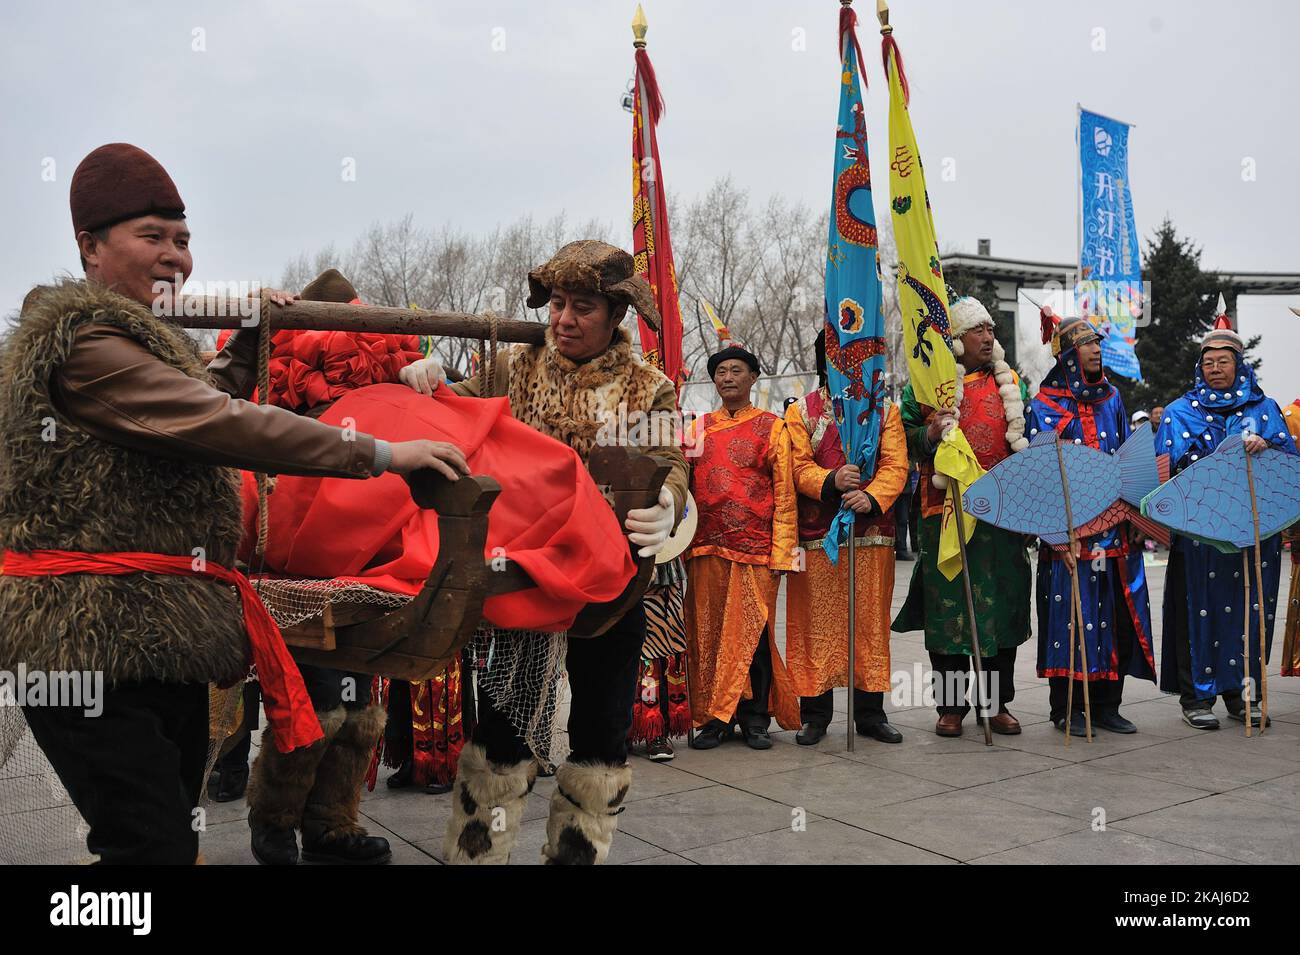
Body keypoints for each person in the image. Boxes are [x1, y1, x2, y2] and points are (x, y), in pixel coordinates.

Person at [0, 143, 467, 865]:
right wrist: (380, 453)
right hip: (84, 642)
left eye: (182, 240)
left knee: (166, 841)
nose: (174, 257)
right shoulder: (81, 346)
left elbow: (202, 403)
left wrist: (248, 343)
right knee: (145, 847)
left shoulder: (144, 350)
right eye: (150, 236)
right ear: (89, 247)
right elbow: (220, 423)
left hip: (162, 640)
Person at [420, 240, 689, 864]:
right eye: (559, 304)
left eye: (583, 307)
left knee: (600, 735)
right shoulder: (515, 370)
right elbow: (458, 408)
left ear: (615, 315)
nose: (564, 319)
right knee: (504, 732)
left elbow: (670, 461)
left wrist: (668, 503)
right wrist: (430, 379)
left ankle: (576, 854)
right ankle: (477, 854)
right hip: (526, 583)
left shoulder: (649, 388)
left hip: (613, 585)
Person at [892, 296, 1031, 737]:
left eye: (991, 329)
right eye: (978, 330)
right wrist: (929, 433)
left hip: (1000, 516)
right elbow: (901, 439)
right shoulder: (925, 388)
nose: (988, 337)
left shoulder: (1011, 384)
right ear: (955, 339)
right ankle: (951, 707)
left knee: (1002, 610)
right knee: (949, 611)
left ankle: (996, 704)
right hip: (945, 514)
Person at [1155, 315, 1298, 729]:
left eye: (1223, 361)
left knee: (1250, 615)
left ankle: (1245, 696)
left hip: (1254, 538)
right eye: (1208, 362)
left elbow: (1291, 473)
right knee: (1196, 613)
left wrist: (1267, 447)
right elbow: (1164, 477)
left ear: (1240, 364)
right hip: (1199, 538)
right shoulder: (1180, 413)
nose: (1215, 369)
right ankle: (1196, 698)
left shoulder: (1265, 410)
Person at [1026, 314, 1157, 736]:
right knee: (1070, 621)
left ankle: (1106, 706)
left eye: (1097, 343)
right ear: (1067, 355)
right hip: (1069, 537)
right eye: (1086, 345)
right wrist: (1057, 537)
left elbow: (1127, 460)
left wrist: (1139, 515)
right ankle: (1067, 709)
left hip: (1114, 534)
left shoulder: (1113, 398)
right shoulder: (1043, 406)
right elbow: (1040, 474)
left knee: (1115, 619)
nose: (1096, 350)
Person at [785, 331, 907, 745]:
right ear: (823, 359)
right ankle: (815, 716)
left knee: (869, 623)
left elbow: (896, 464)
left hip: (872, 535)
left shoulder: (884, 411)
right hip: (819, 537)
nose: (848, 365)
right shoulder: (801, 411)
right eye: (839, 356)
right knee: (814, 625)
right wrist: (832, 480)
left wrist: (871, 496)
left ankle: (870, 714)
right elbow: (797, 468)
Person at [685, 345, 800, 750]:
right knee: (711, 634)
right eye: (720, 372)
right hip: (705, 547)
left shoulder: (773, 427)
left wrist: (784, 551)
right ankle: (715, 720)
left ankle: (755, 720)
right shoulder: (696, 430)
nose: (727, 377)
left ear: (753, 378)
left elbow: (785, 491)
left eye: (736, 370)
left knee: (752, 634)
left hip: (755, 548)